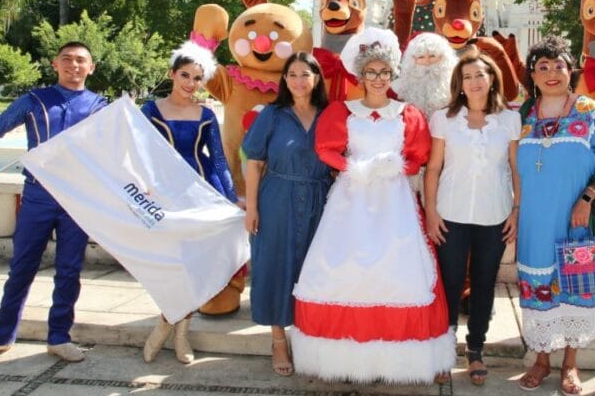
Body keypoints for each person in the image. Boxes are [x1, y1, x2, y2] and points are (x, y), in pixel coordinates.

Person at [290, 27, 455, 384]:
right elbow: (326, 149)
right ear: (361, 75)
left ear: (392, 73)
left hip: (394, 200)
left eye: (383, 72)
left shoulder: (407, 113)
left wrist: (397, 166)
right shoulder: (342, 111)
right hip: (352, 198)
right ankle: (343, 353)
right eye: (370, 72)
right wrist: (353, 167)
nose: (377, 79)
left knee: (400, 269)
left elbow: (418, 155)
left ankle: (400, 357)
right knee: (346, 269)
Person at [0, 42, 107, 364]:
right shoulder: (35, 100)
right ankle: (1, 337)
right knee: (21, 269)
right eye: (67, 59)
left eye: (81, 60)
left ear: (91, 67)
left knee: (69, 271)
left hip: (77, 201)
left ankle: (59, 337)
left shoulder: (101, 108)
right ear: (55, 64)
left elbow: (121, 152)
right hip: (37, 197)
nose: (74, 65)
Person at [515, 36, 595, 394]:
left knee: (576, 286)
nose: (551, 73)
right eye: (542, 67)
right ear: (532, 74)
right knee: (539, 290)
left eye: (558, 66)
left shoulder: (592, 114)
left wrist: (588, 197)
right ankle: (542, 360)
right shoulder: (521, 116)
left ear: (570, 70)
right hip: (534, 221)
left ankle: (570, 364)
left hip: (578, 219)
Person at [424, 51, 521, 386]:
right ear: (459, 84)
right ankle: (444, 347)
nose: (475, 82)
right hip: (450, 213)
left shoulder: (509, 119)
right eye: (467, 77)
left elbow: (515, 168)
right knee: (449, 284)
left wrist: (517, 211)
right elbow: (433, 168)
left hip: (495, 215)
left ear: (492, 77)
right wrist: (432, 211)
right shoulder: (443, 119)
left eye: (481, 74)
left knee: (484, 282)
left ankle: (475, 349)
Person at [140, 41, 237, 364]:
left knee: (192, 267)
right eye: (185, 75)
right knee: (168, 267)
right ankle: (165, 324)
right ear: (172, 73)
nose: (190, 83)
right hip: (162, 197)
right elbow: (136, 155)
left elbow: (219, 161)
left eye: (197, 78)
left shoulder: (206, 114)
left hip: (197, 196)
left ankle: (178, 332)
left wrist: (230, 202)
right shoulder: (150, 111)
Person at [242, 51, 332, 377]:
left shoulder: (329, 115)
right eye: (291, 74)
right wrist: (252, 208)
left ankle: (308, 336)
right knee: (275, 265)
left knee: (313, 268)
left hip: (320, 200)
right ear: (284, 79)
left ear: (317, 78)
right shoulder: (273, 114)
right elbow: (254, 163)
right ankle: (278, 338)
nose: (297, 81)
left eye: (304, 74)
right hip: (277, 198)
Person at [391, 32, 456, 118]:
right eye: (421, 57)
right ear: (412, 61)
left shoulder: (456, 86)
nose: (427, 62)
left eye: (432, 56)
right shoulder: (397, 88)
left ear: (443, 58)